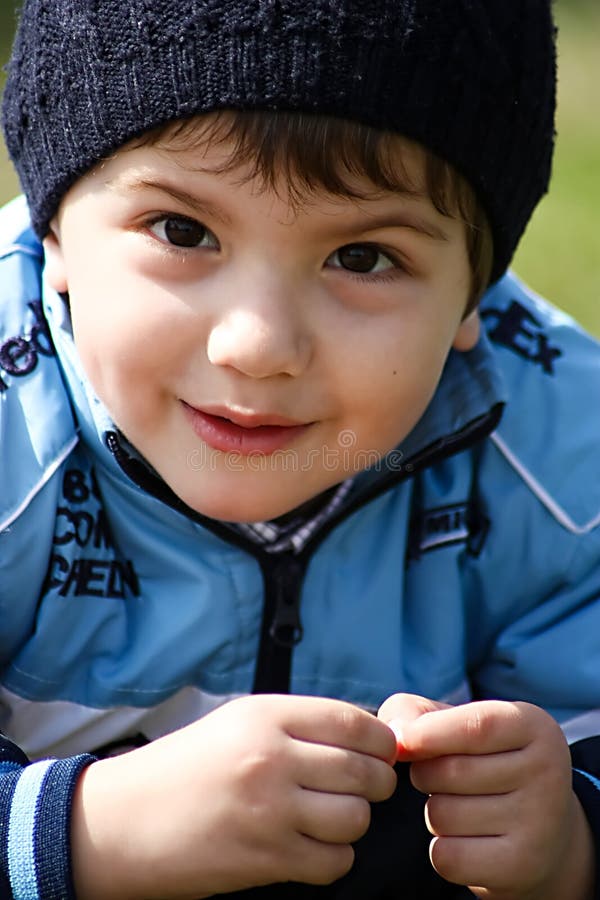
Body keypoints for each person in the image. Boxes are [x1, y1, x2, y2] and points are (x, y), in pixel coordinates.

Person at [1, 0, 600, 897]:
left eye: (361, 257)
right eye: (182, 231)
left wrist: (574, 839)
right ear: (55, 235)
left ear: (475, 292)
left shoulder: (564, 459)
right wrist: (91, 830)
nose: (258, 344)